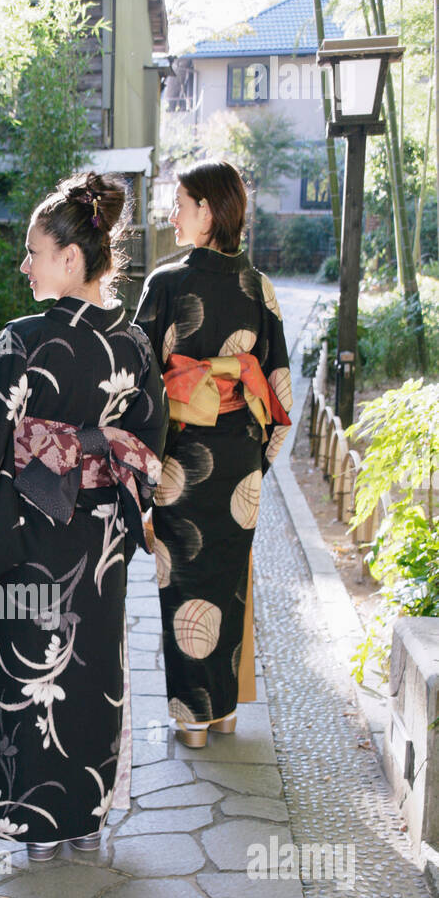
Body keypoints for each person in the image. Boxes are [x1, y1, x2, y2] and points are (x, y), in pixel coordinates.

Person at [0, 172, 168, 861]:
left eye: (34, 251)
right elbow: (151, 444)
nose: (25, 265)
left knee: (27, 668)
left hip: (28, 536)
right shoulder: (132, 345)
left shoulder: (23, 340)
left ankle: (29, 816)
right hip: (101, 536)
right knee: (92, 667)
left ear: (70, 260)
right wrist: (109, 482)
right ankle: (86, 808)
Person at [133, 159, 292, 748]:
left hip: (181, 462)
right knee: (226, 583)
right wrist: (257, 461)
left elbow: (139, 382)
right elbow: (277, 389)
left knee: (184, 586)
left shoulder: (167, 284)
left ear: (208, 210)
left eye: (179, 202)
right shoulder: (260, 287)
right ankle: (222, 712)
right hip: (239, 464)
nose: (171, 213)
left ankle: (192, 720)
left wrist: (146, 471)